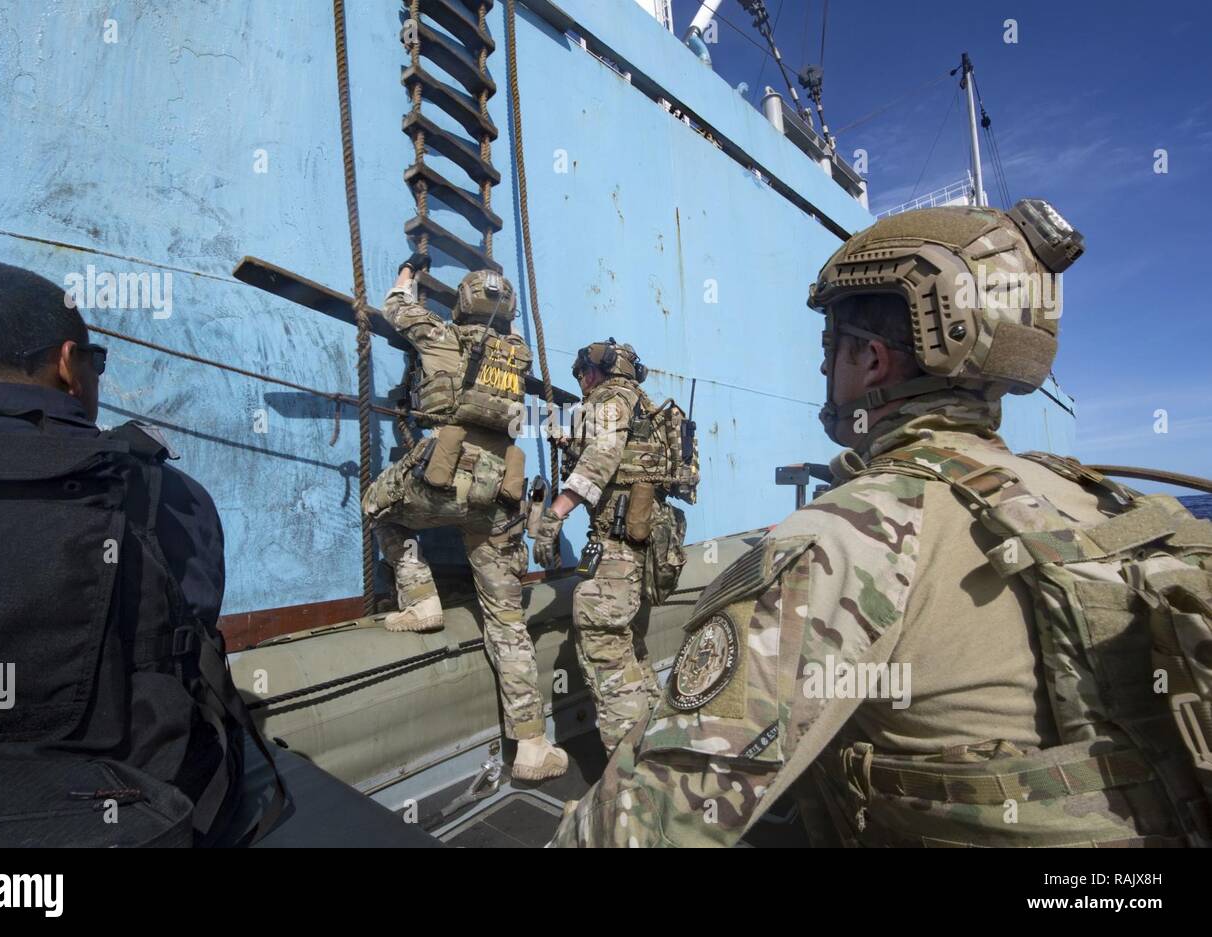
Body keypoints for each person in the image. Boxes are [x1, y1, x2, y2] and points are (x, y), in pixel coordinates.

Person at [550, 200, 1212, 847]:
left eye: (831, 344)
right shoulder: (1112, 500)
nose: (820, 367)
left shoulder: (847, 535)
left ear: (870, 360)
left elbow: (642, 825)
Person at [0, 259, 271, 845]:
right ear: (67, 364)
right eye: (93, 360)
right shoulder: (166, 494)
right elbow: (197, 623)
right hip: (141, 819)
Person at [362, 254, 567, 781]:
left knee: (377, 505)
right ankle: (532, 746)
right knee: (506, 622)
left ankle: (421, 599)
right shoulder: (517, 356)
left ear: (464, 302)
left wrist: (405, 283)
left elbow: (394, 311)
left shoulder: (441, 333)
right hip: (501, 489)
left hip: (442, 477)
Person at [533, 339, 694, 753]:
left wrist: (556, 513)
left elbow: (604, 457)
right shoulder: (641, 405)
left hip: (617, 544)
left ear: (597, 370)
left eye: (582, 373)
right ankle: (660, 749)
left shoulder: (606, 401)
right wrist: (568, 443)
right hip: (648, 546)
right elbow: (622, 456)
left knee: (603, 645)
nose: (581, 382)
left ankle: (629, 777)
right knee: (631, 647)